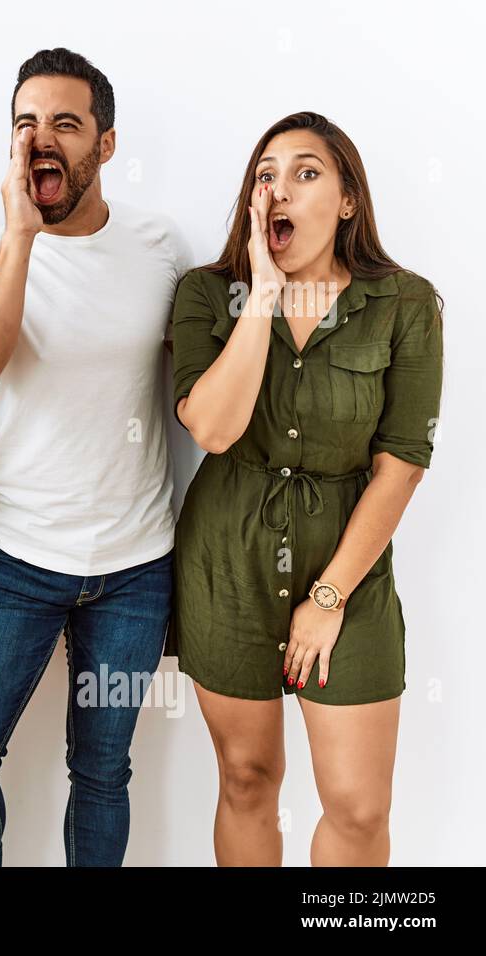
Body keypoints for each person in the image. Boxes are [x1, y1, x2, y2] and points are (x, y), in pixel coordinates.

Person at [0, 49, 192, 866]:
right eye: (24, 125)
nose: (41, 139)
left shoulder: (161, 249)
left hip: (136, 563)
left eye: (65, 124)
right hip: (17, 560)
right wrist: (19, 234)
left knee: (103, 772)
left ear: (105, 145)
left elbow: (198, 389)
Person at [168, 111, 443, 866]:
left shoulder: (405, 305)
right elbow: (214, 430)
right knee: (248, 779)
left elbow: (403, 461)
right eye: (266, 175)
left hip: (348, 573)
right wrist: (260, 292)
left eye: (306, 172)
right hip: (227, 561)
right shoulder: (205, 294)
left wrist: (329, 599)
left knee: (358, 808)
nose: (279, 188)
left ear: (348, 200)